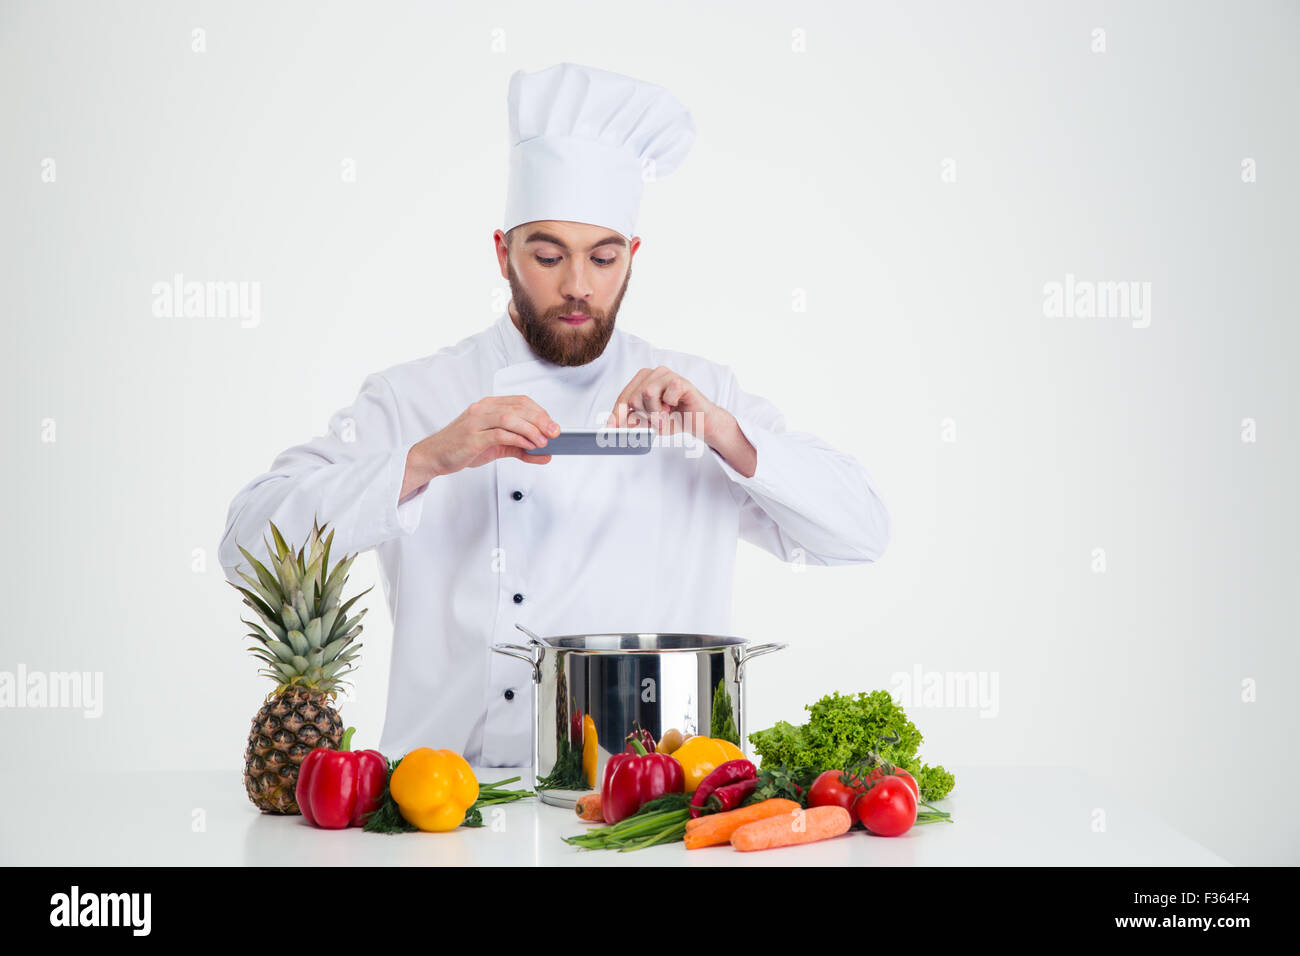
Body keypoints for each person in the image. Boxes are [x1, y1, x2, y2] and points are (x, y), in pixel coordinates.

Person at [219, 62, 891, 767]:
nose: (577, 286)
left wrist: (726, 435)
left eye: (602, 259)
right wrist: (424, 460)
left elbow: (862, 532)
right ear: (503, 253)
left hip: (651, 801)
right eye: (547, 256)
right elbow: (244, 545)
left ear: (631, 257)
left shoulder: (701, 397)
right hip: (443, 802)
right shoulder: (412, 397)